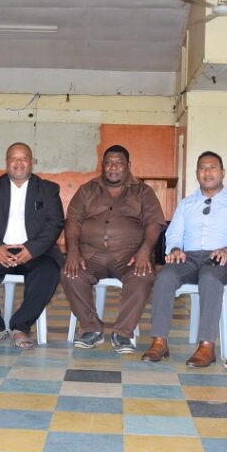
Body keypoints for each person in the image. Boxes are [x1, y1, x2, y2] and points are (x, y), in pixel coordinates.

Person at [143, 151, 227, 367]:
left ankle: (206, 346)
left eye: (213, 167)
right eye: (203, 168)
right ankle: (159, 341)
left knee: (210, 278)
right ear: (196, 173)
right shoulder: (187, 204)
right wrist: (175, 247)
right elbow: (173, 232)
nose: (208, 172)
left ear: (223, 172)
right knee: (164, 276)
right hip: (190, 257)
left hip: (222, 260)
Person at [62, 145, 165, 353]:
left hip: (129, 255)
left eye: (119, 163)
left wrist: (145, 250)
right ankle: (92, 329)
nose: (113, 167)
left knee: (142, 275)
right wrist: (72, 250)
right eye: (108, 163)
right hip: (90, 254)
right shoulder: (87, 190)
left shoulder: (143, 192)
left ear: (128, 166)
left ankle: (123, 333)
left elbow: (154, 223)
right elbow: (73, 221)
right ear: (103, 166)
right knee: (70, 274)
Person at [0, 142, 64, 349]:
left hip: (36, 252)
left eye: (23, 158)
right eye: (13, 158)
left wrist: (32, 249)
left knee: (48, 272)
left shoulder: (48, 189)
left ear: (32, 162)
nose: (18, 163)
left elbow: (55, 223)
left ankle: (21, 327)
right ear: (6, 162)